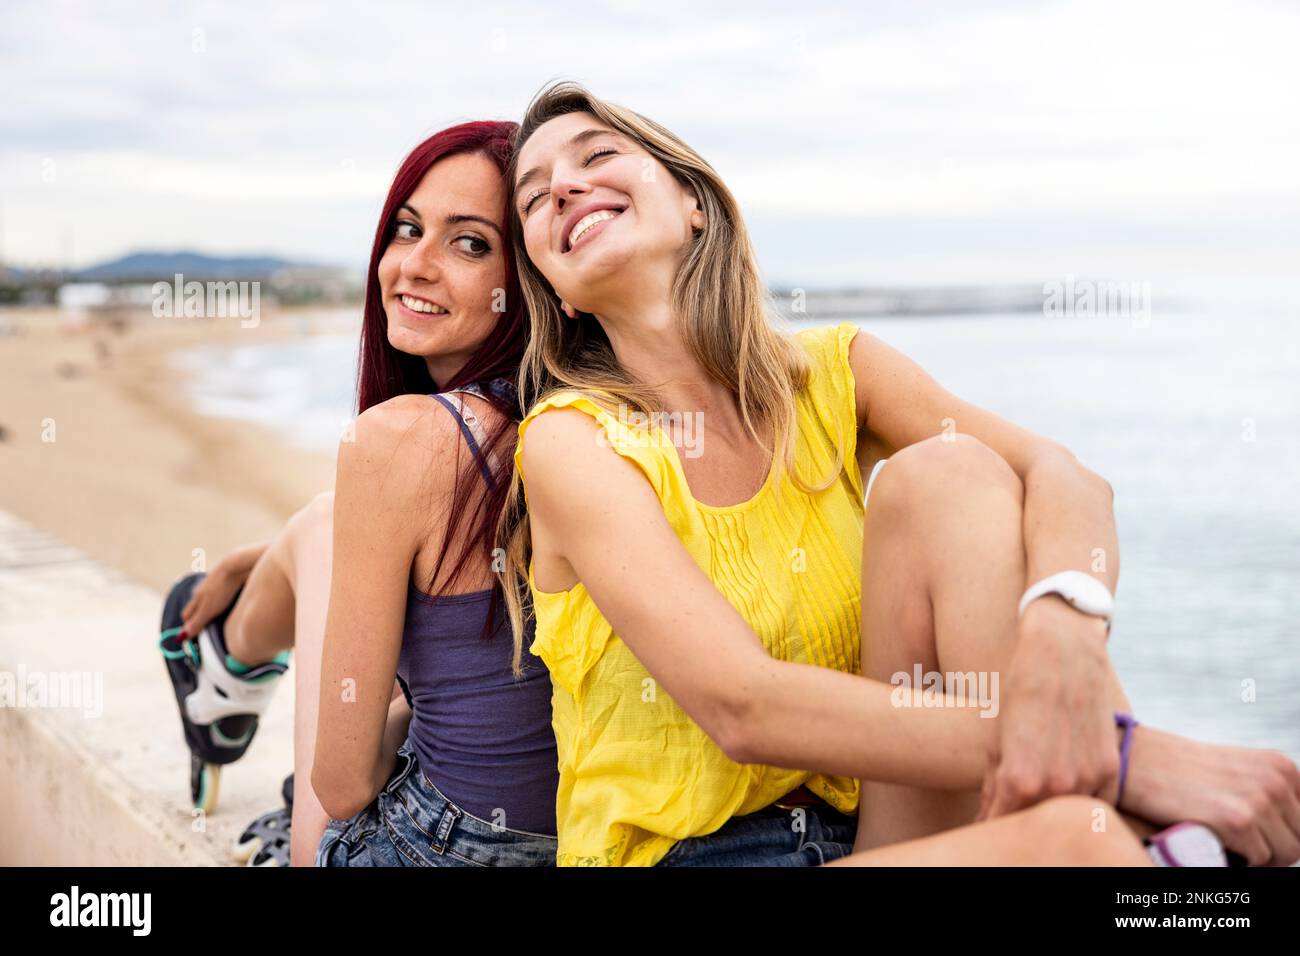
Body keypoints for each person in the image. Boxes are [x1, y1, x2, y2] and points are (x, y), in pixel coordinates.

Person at [498, 81, 1300, 867]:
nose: (564, 189)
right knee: (1069, 838)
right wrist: (1129, 756)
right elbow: (742, 707)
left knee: (948, 473)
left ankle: (1122, 828)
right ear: (558, 293)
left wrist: (1067, 629)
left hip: (878, 829)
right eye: (535, 200)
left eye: (597, 154)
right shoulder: (572, 441)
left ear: (694, 204)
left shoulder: (834, 376)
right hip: (691, 857)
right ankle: (1137, 830)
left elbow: (1064, 474)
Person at [159, 120, 559, 867]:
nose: (415, 264)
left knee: (323, 528)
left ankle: (223, 669)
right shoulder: (574, 423)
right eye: (407, 229)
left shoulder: (403, 439)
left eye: (470, 243)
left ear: (529, 278)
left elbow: (342, 786)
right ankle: (224, 666)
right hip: (586, 845)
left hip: (438, 853)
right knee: (326, 525)